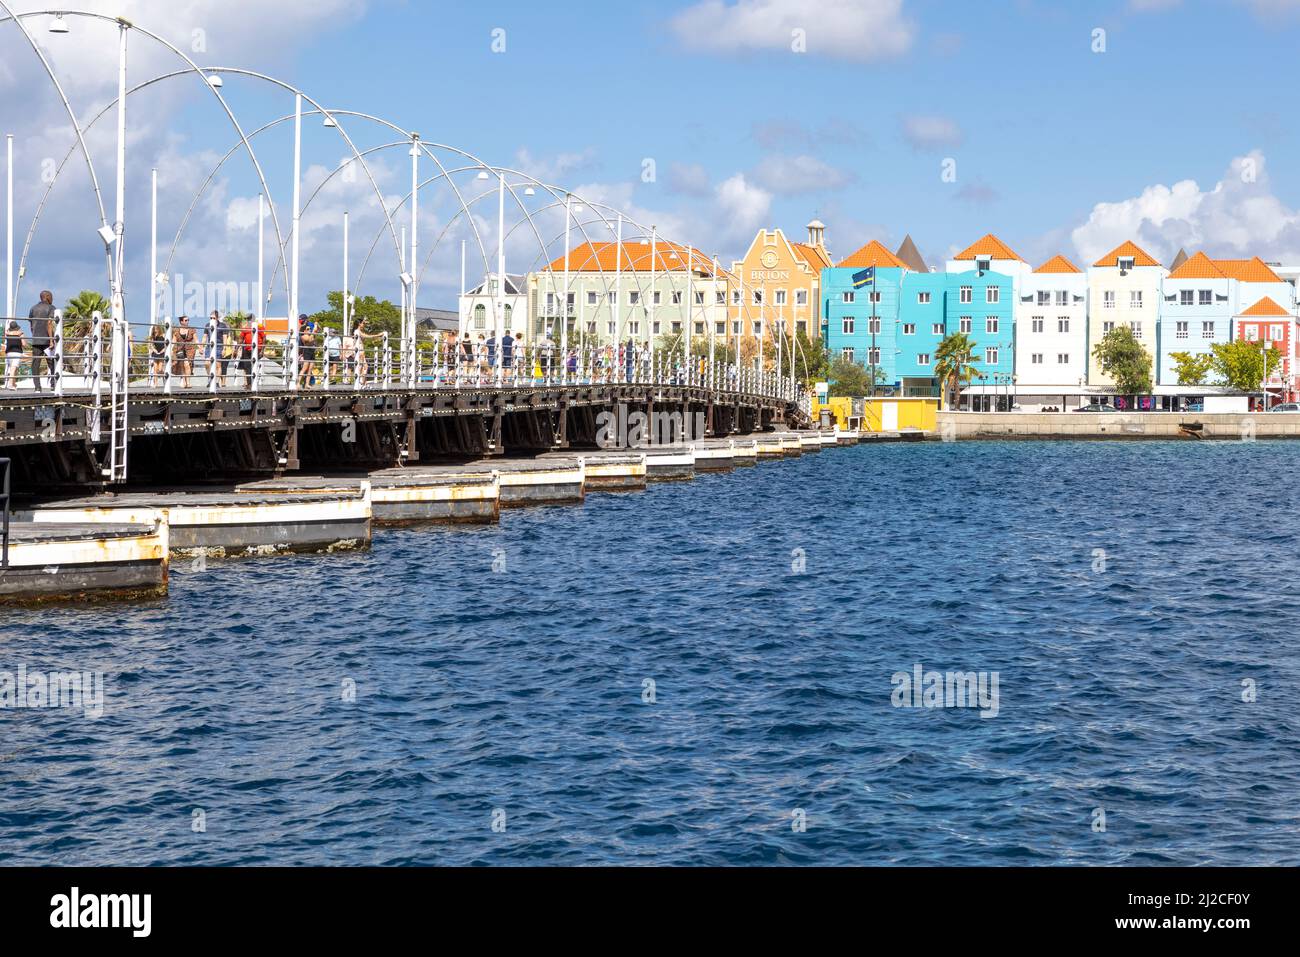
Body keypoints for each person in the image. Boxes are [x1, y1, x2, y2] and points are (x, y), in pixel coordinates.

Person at [27, 290, 55, 392]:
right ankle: (53, 386)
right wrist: (51, 340)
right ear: (47, 297)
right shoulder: (51, 308)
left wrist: (35, 334)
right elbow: (49, 323)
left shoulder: (33, 308)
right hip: (47, 340)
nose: (52, 298)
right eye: (51, 296)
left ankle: (37, 387)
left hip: (36, 339)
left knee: (35, 364)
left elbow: (31, 325)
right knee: (52, 363)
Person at [173, 315, 196, 386]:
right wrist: (172, 350)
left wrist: (200, 347)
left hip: (189, 349)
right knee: (182, 365)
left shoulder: (192, 329)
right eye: (186, 320)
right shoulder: (176, 330)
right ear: (181, 321)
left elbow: (196, 339)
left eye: (188, 320)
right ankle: (184, 381)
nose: (187, 321)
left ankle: (188, 382)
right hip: (180, 349)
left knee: (188, 364)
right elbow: (174, 341)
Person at [4, 320, 24, 390]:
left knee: (13, 368)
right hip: (17, 352)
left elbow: (6, 331)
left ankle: (13, 383)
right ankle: (10, 385)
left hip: (9, 352)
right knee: (14, 368)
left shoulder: (7, 333)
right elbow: (24, 344)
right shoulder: (20, 333)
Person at [298, 315, 317, 387]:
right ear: (304, 330)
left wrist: (315, 326)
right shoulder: (303, 337)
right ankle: (298, 383)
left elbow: (315, 332)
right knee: (304, 368)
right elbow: (309, 340)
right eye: (308, 329)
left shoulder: (310, 334)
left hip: (312, 350)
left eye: (310, 329)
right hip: (307, 351)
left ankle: (307, 384)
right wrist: (313, 332)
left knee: (310, 369)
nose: (310, 330)